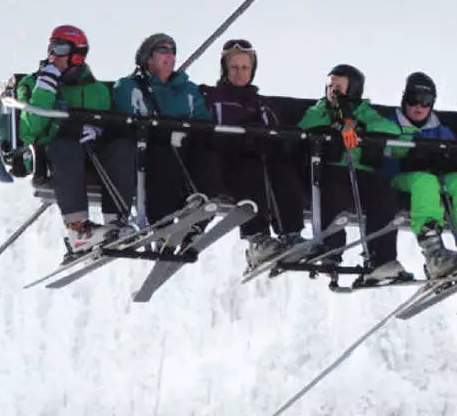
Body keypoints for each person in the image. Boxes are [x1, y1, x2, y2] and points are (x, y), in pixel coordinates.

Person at [14, 25, 137, 256]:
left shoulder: (97, 90)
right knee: (66, 146)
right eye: (51, 47)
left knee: (122, 147)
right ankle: (78, 228)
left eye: (60, 48)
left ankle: (115, 222)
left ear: (77, 54)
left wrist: (98, 131)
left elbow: (110, 125)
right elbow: (31, 131)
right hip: (54, 156)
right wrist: (45, 89)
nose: (53, 55)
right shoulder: (32, 84)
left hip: (92, 155)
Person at [199, 38, 308, 271]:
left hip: (261, 158)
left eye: (245, 68)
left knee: (282, 168)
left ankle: (290, 233)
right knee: (249, 168)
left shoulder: (261, 104)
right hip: (230, 161)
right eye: (234, 68)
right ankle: (257, 238)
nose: (239, 73)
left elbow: (276, 133)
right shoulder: (214, 98)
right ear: (225, 69)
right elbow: (210, 131)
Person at [299, 64, 408, 283]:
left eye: (338, 86)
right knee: (331, 190)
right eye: (330, 86)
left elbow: (392, 130)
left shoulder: (364, 112)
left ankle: (382, 258)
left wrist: (359, 127)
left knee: (384, 197)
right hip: (332, 169)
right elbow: (305, 125)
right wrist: (333, 125)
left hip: (362, 172)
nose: (333, 91)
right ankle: (331, 249)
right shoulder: (319, 110)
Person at [109, 32, 226, 226]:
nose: (169, 56)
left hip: (185, 148)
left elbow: (203, 121)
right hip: (149, 150)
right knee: (163, 156)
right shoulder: (130, 87)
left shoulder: (188, 90)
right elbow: (125, 120)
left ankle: (197, 221)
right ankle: (162, 222)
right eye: (163, 50)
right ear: (147, 57)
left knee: (208, 157)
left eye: (173, 51)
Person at [390, 72, 457, 278]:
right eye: (413, 99)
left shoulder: (440, 129)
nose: (419, 106)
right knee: (425, 182)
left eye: (425, 102)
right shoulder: (391, 125)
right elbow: (382, 157)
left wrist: (447, 159)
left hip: (437, 176)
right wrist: (408, 156)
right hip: (401, 178)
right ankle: (434, 255)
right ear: (404, 99)